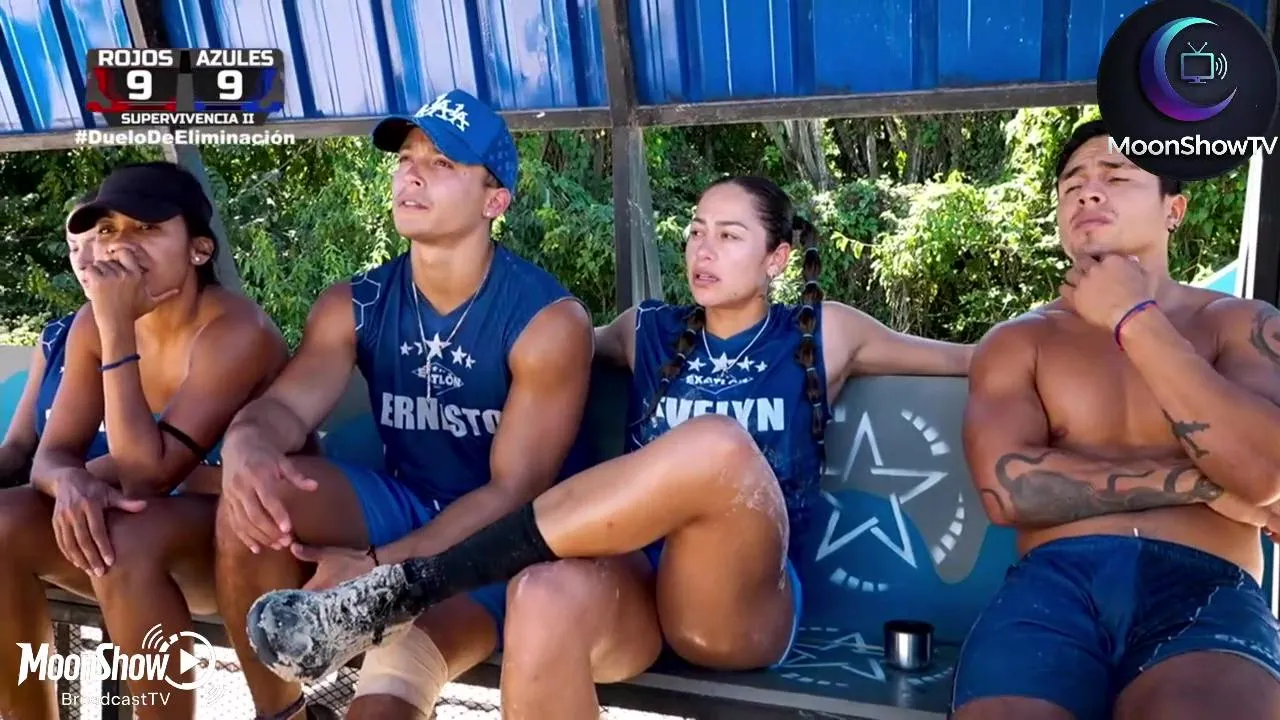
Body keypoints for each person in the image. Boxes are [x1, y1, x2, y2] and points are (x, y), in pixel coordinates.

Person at [243, 174, 974, 718]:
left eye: (729, 236)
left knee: (715, 446)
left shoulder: (822, 333)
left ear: (778, 258)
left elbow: (971, 359)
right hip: (638, 585)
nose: (703, 249)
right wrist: (432, 358)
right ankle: (411, 588)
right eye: (695, 230)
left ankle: (411, 582)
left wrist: (1045, 343)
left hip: (738, 604)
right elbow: (538, 351)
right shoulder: (645, 329)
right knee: (543, 594)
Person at [213, 88, 596, 720]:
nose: (412, 175)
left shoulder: (545, 320)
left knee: (382, 707)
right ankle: (283, 714)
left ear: (494, 201)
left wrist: (376, 569)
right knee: (252, 498)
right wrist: (246, 444)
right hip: (402, 506)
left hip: (501, 548)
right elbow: (282, 409)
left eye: (442, 163)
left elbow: (511, 493)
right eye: (406, 159)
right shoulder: (354, 302)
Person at [950, 119, 1280, 720]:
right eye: (1072, 183)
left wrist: (1134, 317)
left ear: (1173, 209)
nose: (1088, 192)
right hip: (1053, 587)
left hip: (1207, 589)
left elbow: (1264, 473)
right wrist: (1208, 487)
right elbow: (1009, 491)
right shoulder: (1020, 340)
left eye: (1117, 176)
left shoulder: (1240, 324)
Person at [0, 162, 292, 720]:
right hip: (142, 537)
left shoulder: (235, 330)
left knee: (127, 537)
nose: (121, 246)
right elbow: (50, 456)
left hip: (251, 550)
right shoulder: (91, 323)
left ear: (199, 250)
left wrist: (116, 328)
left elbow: (145, 475)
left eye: (148, 228)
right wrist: (71, 483)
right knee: (5, 522)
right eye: (109, 229)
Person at [0, 193, 109, 488]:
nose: (82, 262)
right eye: (74, 247)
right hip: (50, 494)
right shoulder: (56, 336)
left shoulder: (170, 335)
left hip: (129, 503)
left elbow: (146, 464)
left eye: (97, 242)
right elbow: (18, 446)